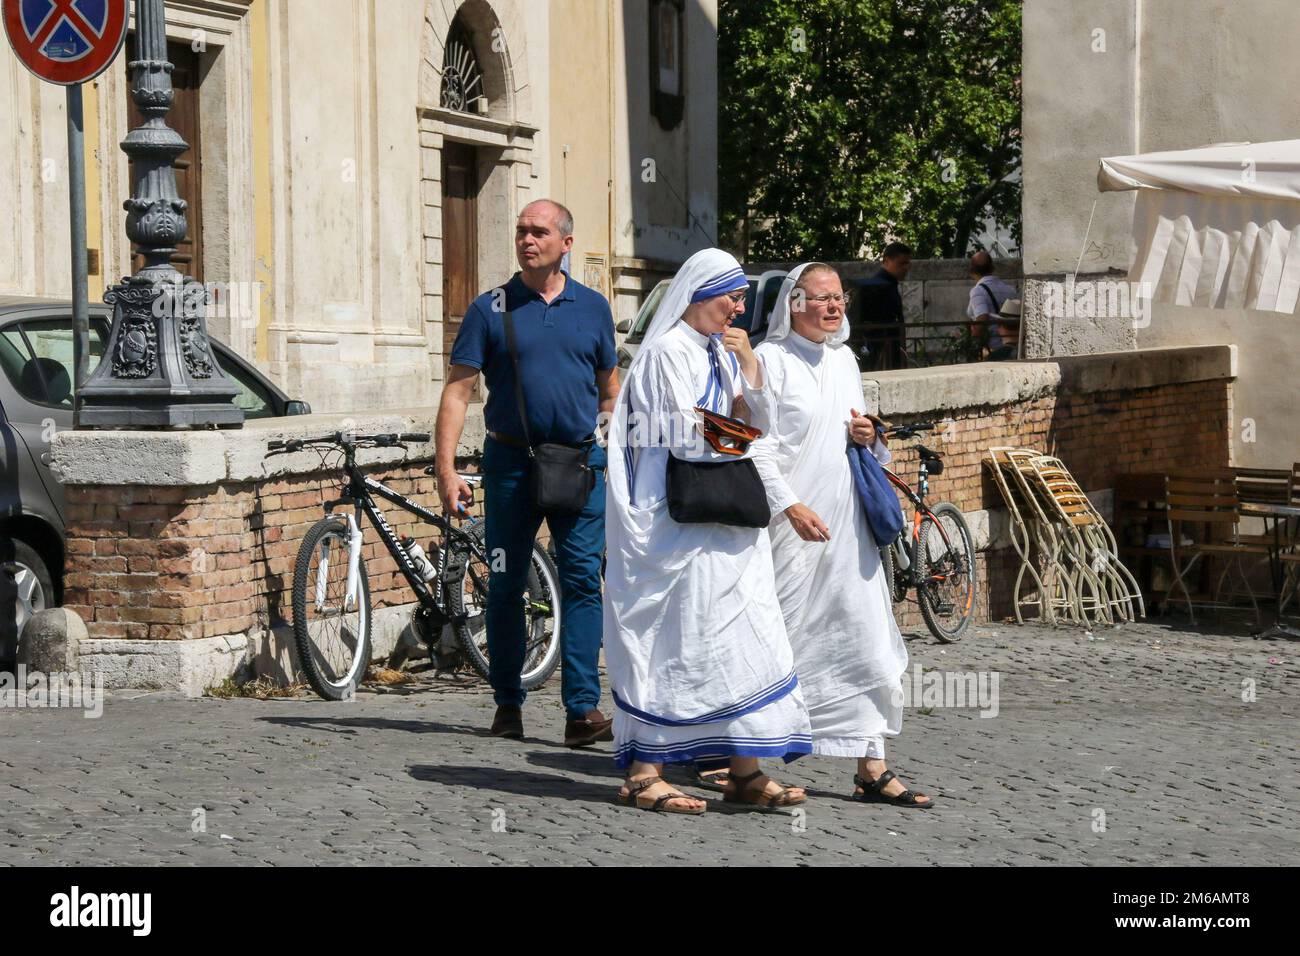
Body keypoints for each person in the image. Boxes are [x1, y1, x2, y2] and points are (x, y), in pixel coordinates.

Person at [603, 247, 812, 815]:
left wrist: (749, 371)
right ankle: (645, 773)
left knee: (745, 631)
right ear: (699, 294)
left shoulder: (720, 353)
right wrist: (744, 438)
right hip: (675, 525)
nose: (739, 308)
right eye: (732, 296)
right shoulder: (668, 351)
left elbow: (759, 422)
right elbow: (685, 434)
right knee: (674, 637)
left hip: (725, 528)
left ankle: (745, 770)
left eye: (744, 297)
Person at [435, 199, 619, 748]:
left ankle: (582, 710)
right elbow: (458, 392)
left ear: (566, 243)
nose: (526, 240)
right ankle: (507, 702)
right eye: (520, 231)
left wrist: (612, 445)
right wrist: (447, 471)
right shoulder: (489, 308)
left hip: (580, 466)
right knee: (506, 583)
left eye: (538, 231)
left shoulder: (593, 307)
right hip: (510, 466)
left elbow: (609, 388)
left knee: (584, 581)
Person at [750, 262, 934, 808]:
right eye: (822, 298)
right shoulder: (770, 361)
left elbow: (864, 444)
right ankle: (748, 760)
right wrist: (790, 506)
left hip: (847, 530)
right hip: (792, 530)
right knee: (778, 638)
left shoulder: (846, 360)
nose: (834, 307)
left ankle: (871, 766)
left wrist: (868, 434)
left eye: (840, 299)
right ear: (794, 303)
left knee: (867, 640)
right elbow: (754, 444)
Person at [850, 241, 912, 371]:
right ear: (887, 261)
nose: (906, 268)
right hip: (881, 352)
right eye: (901, 264)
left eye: (907, 264)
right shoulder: (878, 287)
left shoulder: (887, 285)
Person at [967, 251, 1018, 358]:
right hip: (1011, 344)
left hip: (991, 348)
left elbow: (982, 316)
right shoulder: (1010, 289)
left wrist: (973, 339)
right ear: (992, 268)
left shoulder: (978, 291)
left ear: (972, 270)